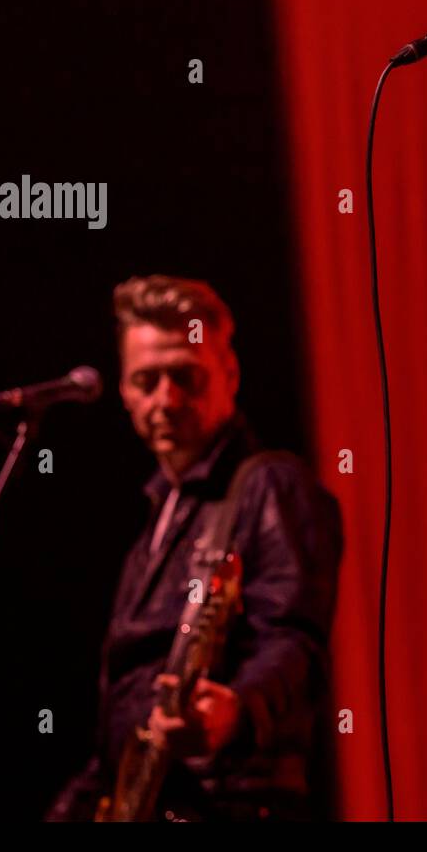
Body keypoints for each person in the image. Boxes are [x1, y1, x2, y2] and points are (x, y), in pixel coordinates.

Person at [47, 275, 341, 821]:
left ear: (229, 374)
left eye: (185, 375)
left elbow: (296, 645)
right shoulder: (156, 522)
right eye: (146, 380)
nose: (167, 398)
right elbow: (124, 706)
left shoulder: (269, 485)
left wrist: (238, 710)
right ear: (123, 391)